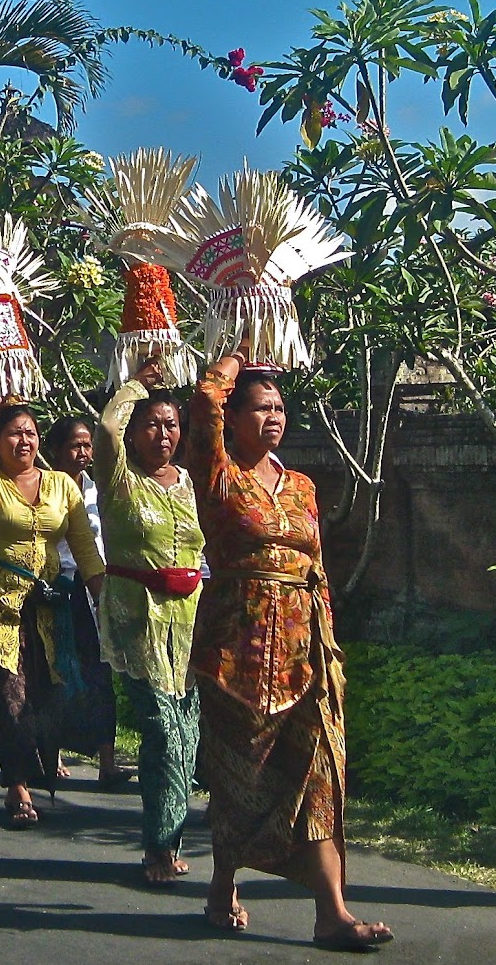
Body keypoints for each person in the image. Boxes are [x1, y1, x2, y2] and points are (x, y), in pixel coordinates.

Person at [186, 349, 392, 949]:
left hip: (305, 652)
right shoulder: (218, 472)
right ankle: (224, 880)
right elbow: (201, 404)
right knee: (240, 777)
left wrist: (329, 644)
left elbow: (318, 567)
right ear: (233, 417)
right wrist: (232, 357)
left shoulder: (300, 485)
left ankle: (332, 912)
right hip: (234, 653)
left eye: (279, 406)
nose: (273, 416)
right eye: (259, 407)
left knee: (318, 773)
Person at [0, 399, 105, 828]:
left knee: (46, 691)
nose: (24, 440)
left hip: (49, 604)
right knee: (6, 692)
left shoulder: (62, 486)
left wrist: (103, 597)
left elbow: (85, 548)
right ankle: (17, 784)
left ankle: (41, 762)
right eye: (14, 432)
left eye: (31, 433)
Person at [95, 360, 205, 886]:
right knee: (160, 730)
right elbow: (104, 429)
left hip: (190, 623)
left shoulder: (191, 482)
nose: (163, 435)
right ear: (135, 433)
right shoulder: (117, 477)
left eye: (171, 425)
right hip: (136, 619)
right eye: (151, 425)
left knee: (187, 735)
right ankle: (157, 848)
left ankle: (174, 837)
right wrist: (136, 382)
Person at [44, 414, 128, 787]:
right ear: (56, 451)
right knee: (58, 670)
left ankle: (106, 760)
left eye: (87, 445)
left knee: (99, 672)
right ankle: (53, 753)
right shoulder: (43, 491)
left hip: (95, 588)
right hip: (57, 587)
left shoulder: (99, 491)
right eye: (75, 445)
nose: (83, 453)